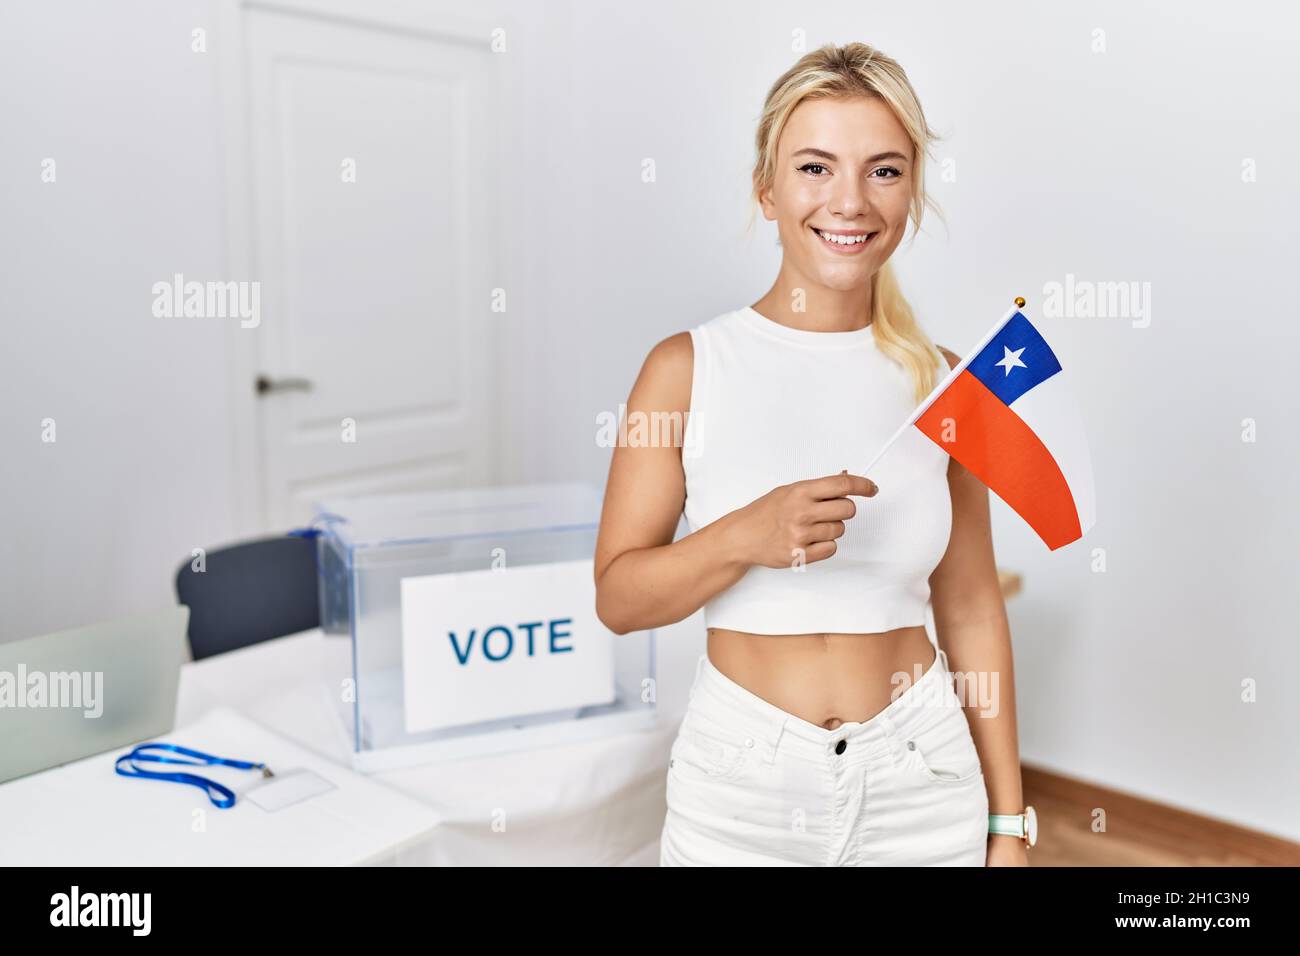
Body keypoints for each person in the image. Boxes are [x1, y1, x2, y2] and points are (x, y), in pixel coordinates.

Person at [594, 42, 1028, 866]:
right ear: (767, 189)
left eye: (885, 171)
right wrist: (740, 537)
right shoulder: (685, 369)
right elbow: (619, 599)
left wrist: (1009, 825)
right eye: (816, 167)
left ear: (912, 192)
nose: (851, 201)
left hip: (923, 777)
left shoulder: (947, 383)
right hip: (741, 790)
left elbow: (971, 605)